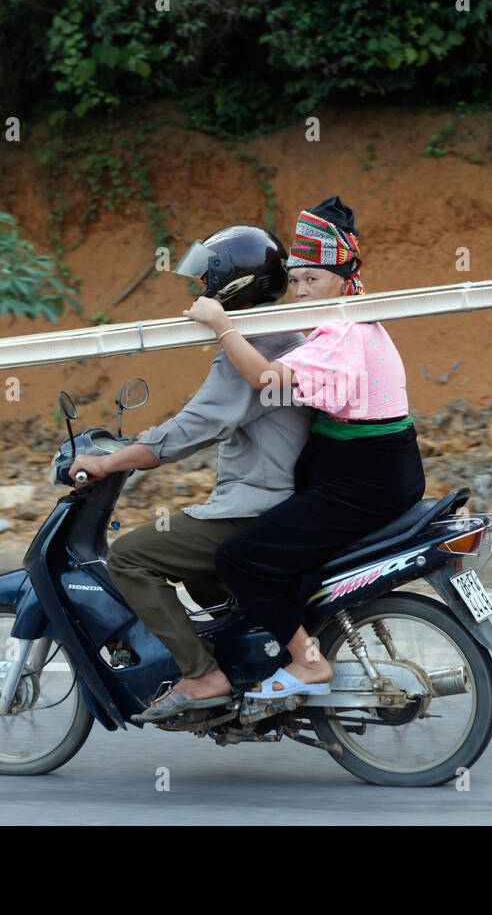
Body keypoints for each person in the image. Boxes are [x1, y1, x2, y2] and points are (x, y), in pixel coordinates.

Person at [182, 196, 425, 699]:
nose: (299, 291)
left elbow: (264, 377)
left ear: (343, 276)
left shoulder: (339, 332)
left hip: (361, 484)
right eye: (293, 281)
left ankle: (307, 662)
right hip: (372, 473)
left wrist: (220, 322)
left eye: (312, 279)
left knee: (238, 560)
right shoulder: (359, 319)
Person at [67, 225, 313, 722]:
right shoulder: (285, 329)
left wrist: (111, 460)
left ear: (234, 283)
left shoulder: (252, 343)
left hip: (259, 504)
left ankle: (202, 675)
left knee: (133, 557)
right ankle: (245, 655)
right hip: (285, 499)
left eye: (208, 277)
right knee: (195, 560)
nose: (200, 288)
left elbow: (191, 430)